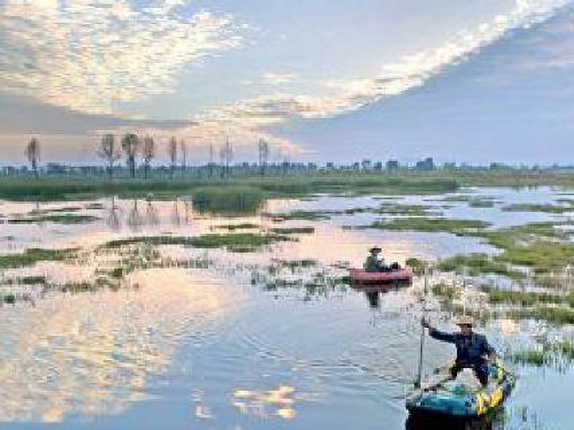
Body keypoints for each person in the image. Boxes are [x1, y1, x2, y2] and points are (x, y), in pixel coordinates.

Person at [421, 315, 496, 386]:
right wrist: (428, 327)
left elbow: (491, 350)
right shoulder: (457, 337)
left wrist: (492, 359)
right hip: (461, 366)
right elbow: (441, 335)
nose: (462, 329)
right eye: (461, 327)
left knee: (481, 377)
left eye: (464, 327)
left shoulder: (480, 339)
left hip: (478, 367)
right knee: (451, 374)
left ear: (470, 327)